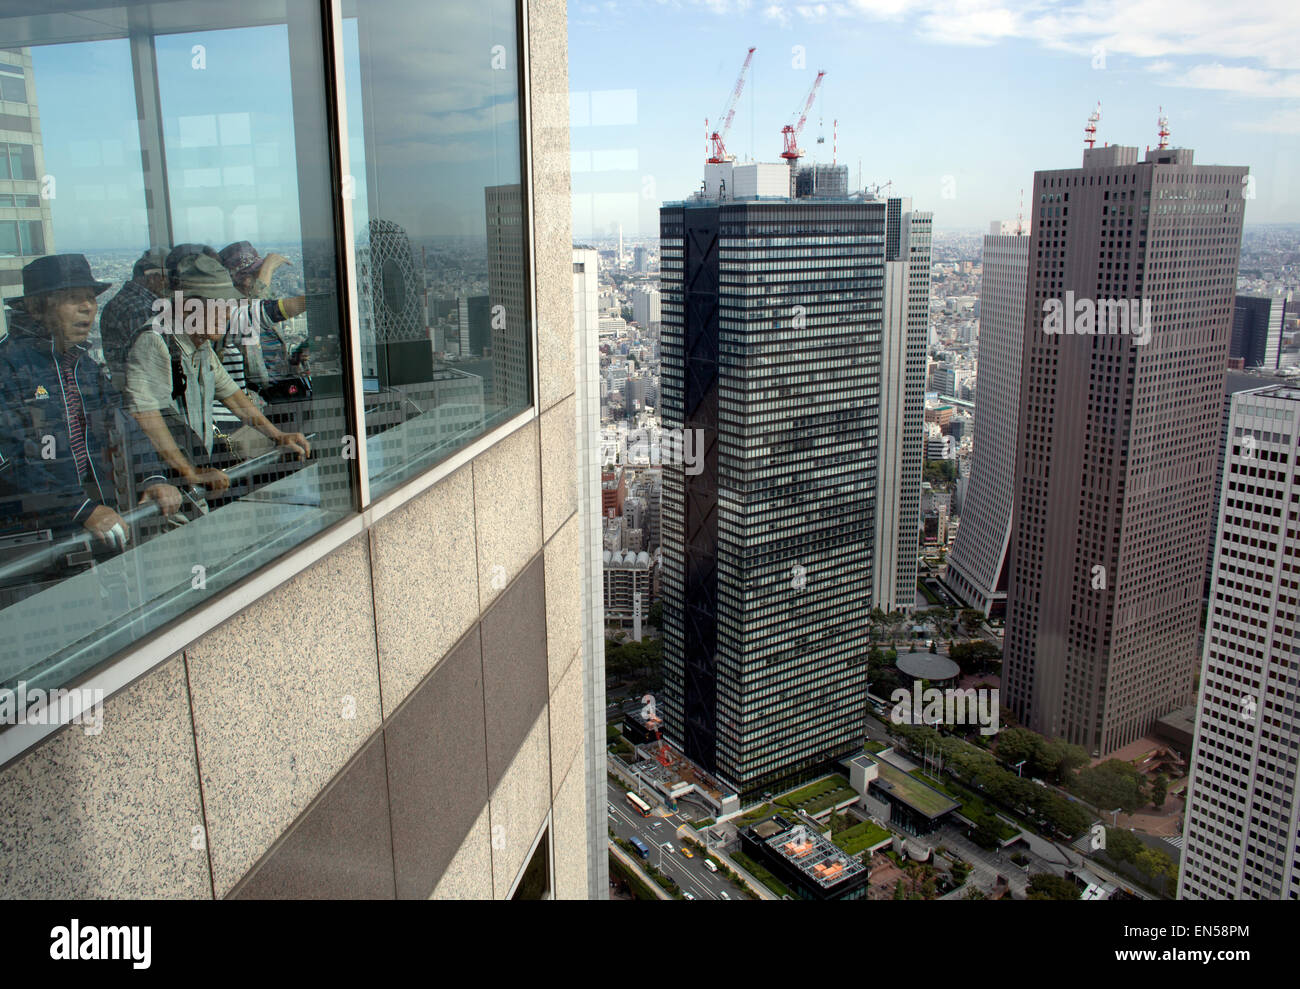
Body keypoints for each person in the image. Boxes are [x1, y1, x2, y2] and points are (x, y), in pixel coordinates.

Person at [0, 254, 181, 551]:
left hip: (96, 526)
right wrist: (79, 508)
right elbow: (10, 461)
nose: (87, 307)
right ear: (35, 308)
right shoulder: (7, 368)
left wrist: (153, 476)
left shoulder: (82, 366)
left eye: (90, 298)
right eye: (72, 298)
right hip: (34, 543)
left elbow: (123, 425)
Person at [122, 245, 310, 496]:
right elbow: (147, 416)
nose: (228, 313)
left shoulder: (199, 342)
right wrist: (189, 472)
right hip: (167, 483)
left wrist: (277, 435)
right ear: (188, 307)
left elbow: (232, 394)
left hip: (191, 471)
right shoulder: (155, 341)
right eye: (219, 306)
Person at [97, 247, 167, 384]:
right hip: (143, 389)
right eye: (170, 278)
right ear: (154, 278)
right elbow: (150, 363)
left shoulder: (124, 300)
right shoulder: (141, 309)